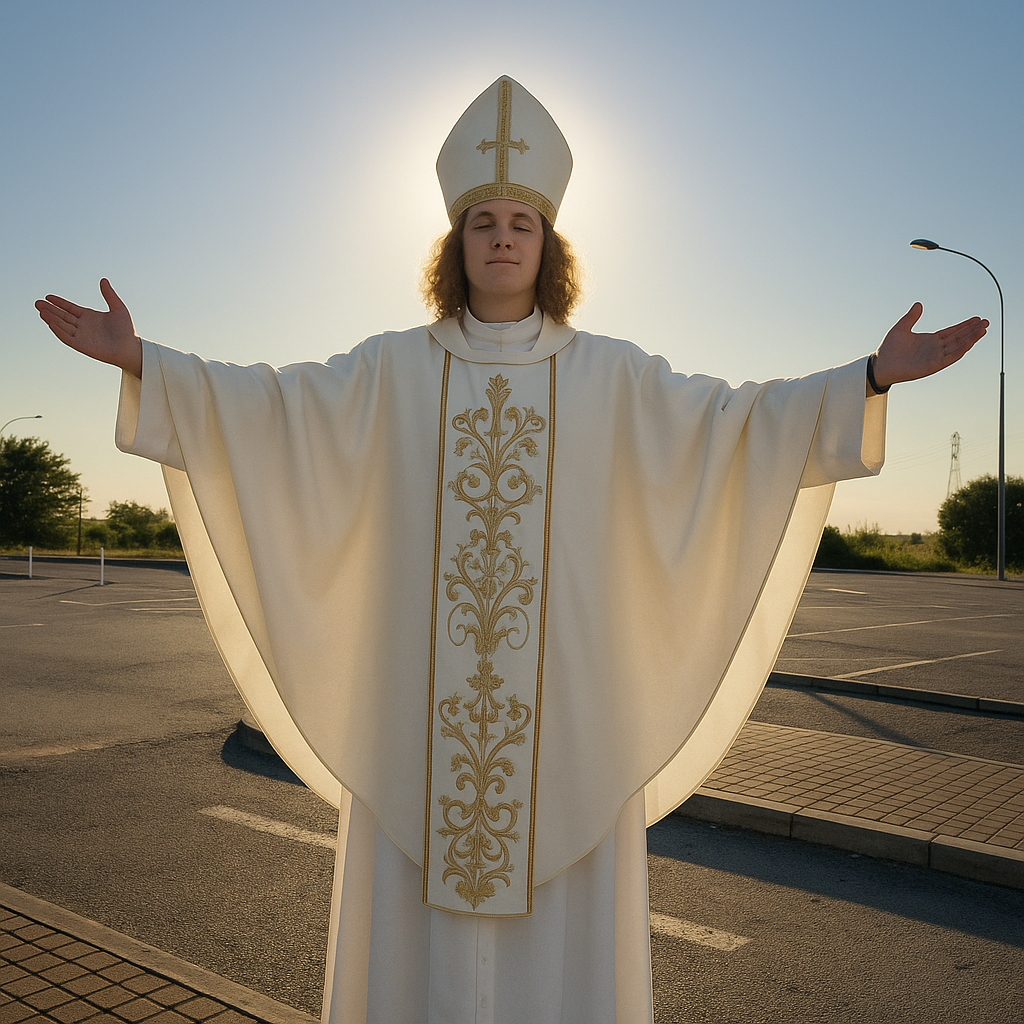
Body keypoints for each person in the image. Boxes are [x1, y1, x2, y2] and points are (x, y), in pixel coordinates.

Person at [36, 77, 986, 1024]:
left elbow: (737, 425)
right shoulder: (388, 370)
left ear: (549, 245)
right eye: (482, 220)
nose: (500, 236)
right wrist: (145, 363)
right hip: (414, 721)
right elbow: (271, 410)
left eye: (520, 223)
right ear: (456, 244)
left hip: (570, 724)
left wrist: (866, 378)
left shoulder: (613, 375)